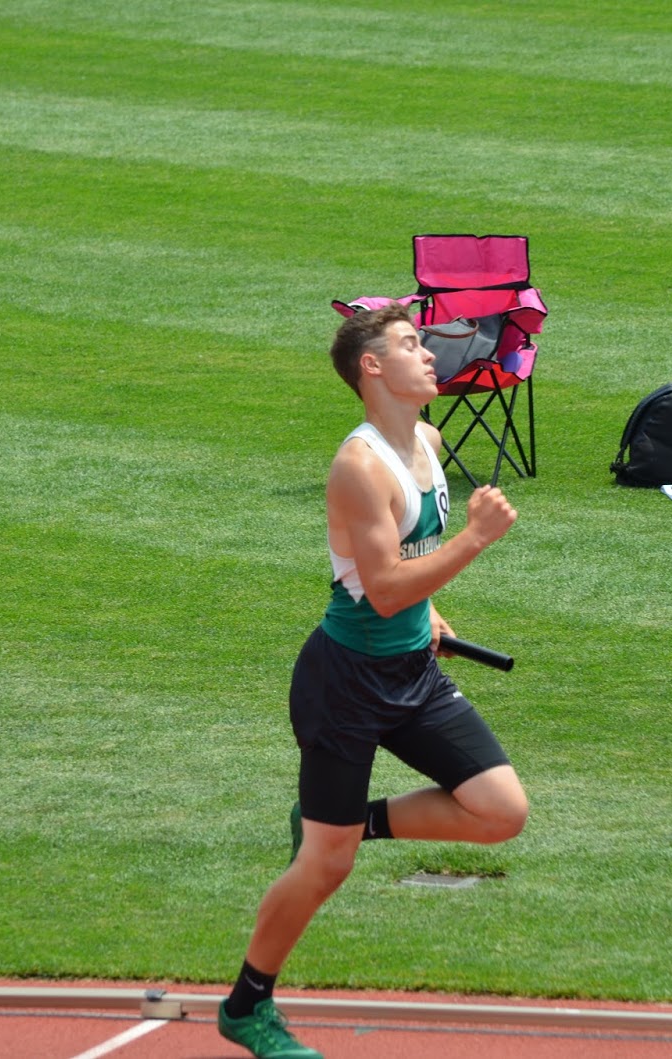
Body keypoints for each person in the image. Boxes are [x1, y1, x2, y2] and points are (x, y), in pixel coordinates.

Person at [217, 303, 530, 1059]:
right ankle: (247, 1005)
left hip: (412, 668)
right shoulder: (357, 467)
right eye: (410, 344)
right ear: (372, 367)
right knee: (327, 863)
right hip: (346, 683)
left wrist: (436, 613)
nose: (430, 355)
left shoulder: (428, 436)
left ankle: (352, 818)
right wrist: (475, 541)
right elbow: (385, 587)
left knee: (500, 811)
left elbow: (406, 564)